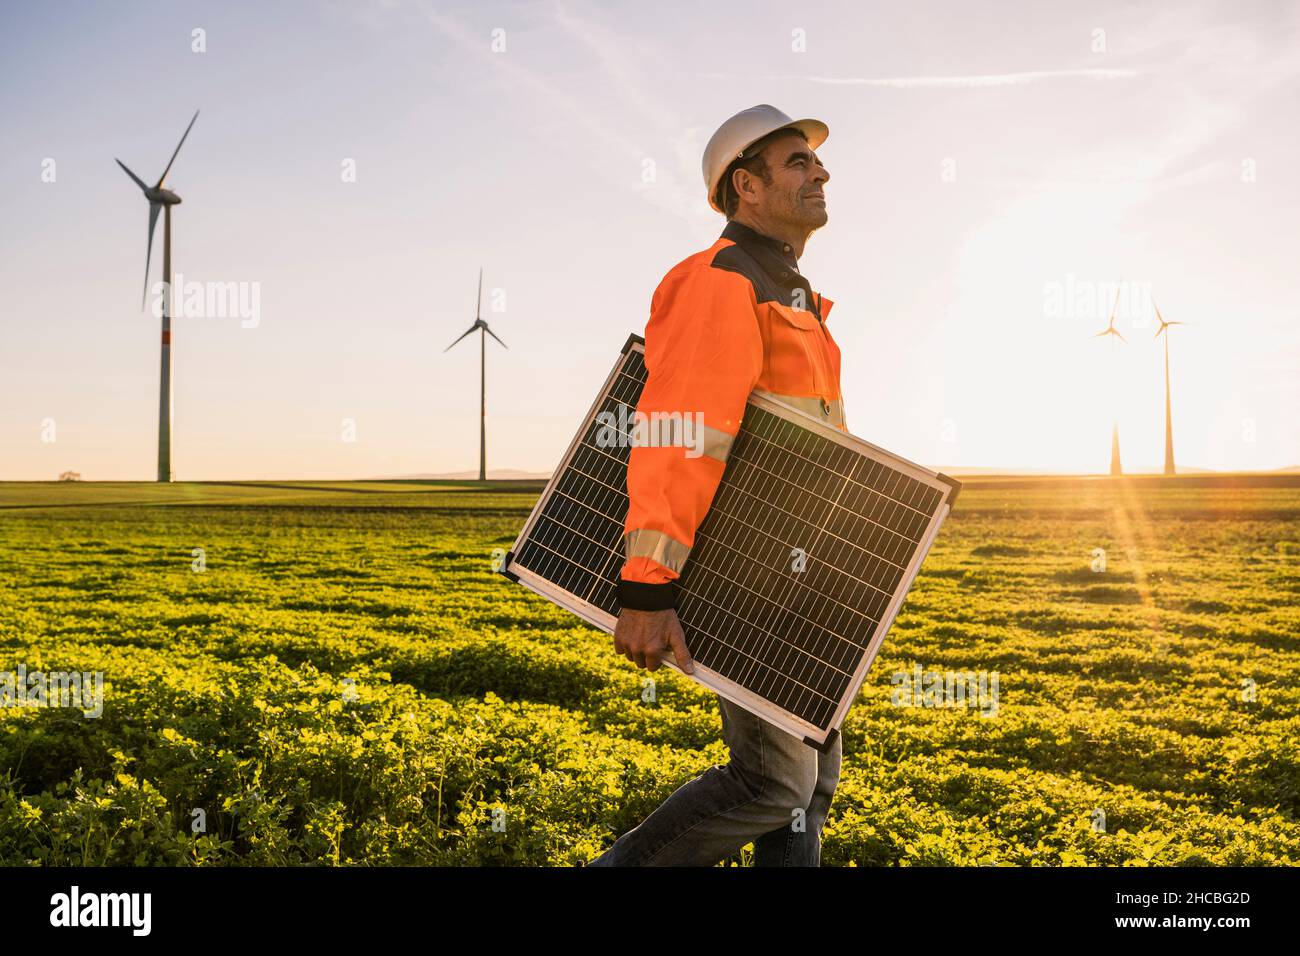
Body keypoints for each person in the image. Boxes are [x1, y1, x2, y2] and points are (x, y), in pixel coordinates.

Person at [589, 104, 845, 867]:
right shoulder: (720, 281)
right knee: (772, 782)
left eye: (816, 161)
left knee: (813, 780)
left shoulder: (791, 291)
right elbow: (679, 432)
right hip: (747, 570)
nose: (821, 172)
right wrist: (648, 585)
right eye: (798, 162)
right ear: (748, 186)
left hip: (804, 571)